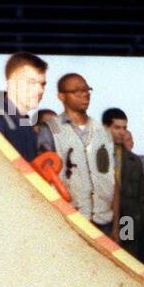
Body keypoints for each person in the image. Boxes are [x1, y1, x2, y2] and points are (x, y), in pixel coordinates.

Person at [37, 73, 114, 232]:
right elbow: (44, 178)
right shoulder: (51, 129)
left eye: (87, 89)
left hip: (105, 220)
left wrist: (116, 225)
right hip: (70, 220)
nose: (84, 94)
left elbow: (114, 178)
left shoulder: (103, 131)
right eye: (77, 91)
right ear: (61, 96)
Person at [102, 107, 144, 257]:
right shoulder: (93, 153)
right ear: (105, 127)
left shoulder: (134, 160)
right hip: (102, 215)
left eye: (124, 128)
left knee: (127, 256)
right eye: (117, 127)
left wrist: (139, 219)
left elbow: (141, 196)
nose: (122, 132)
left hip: (128, 218)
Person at [0, 52, 48, 162]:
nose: (40, 90)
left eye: (42, 84)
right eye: (32, 82)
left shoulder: (25, 124)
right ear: (12, 84)